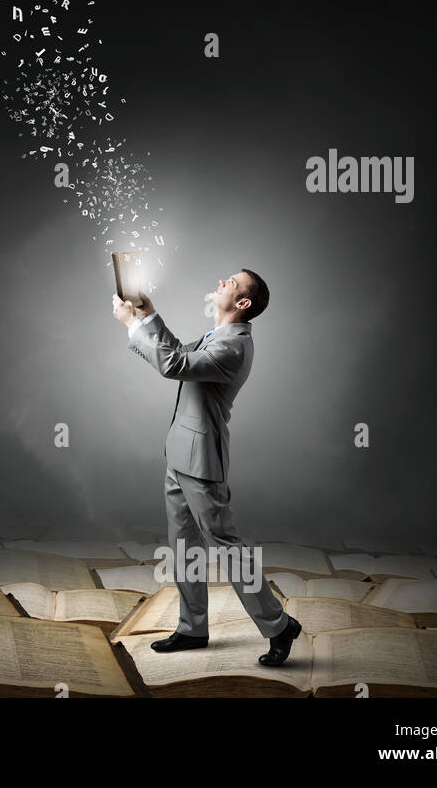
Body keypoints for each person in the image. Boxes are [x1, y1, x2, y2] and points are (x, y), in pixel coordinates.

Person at [111, 269, 302, 666]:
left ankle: (279, 625)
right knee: (184, 547)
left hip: (201, 461)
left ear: (243, 303)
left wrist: (132, 325)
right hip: (180, 454)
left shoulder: (234, 346)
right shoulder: (219, 336)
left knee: (226, 548)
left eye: (231, 282)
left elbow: (174, 365)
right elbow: (180, 352)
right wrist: (148, 315)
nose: (220, 281)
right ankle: (191, 628)